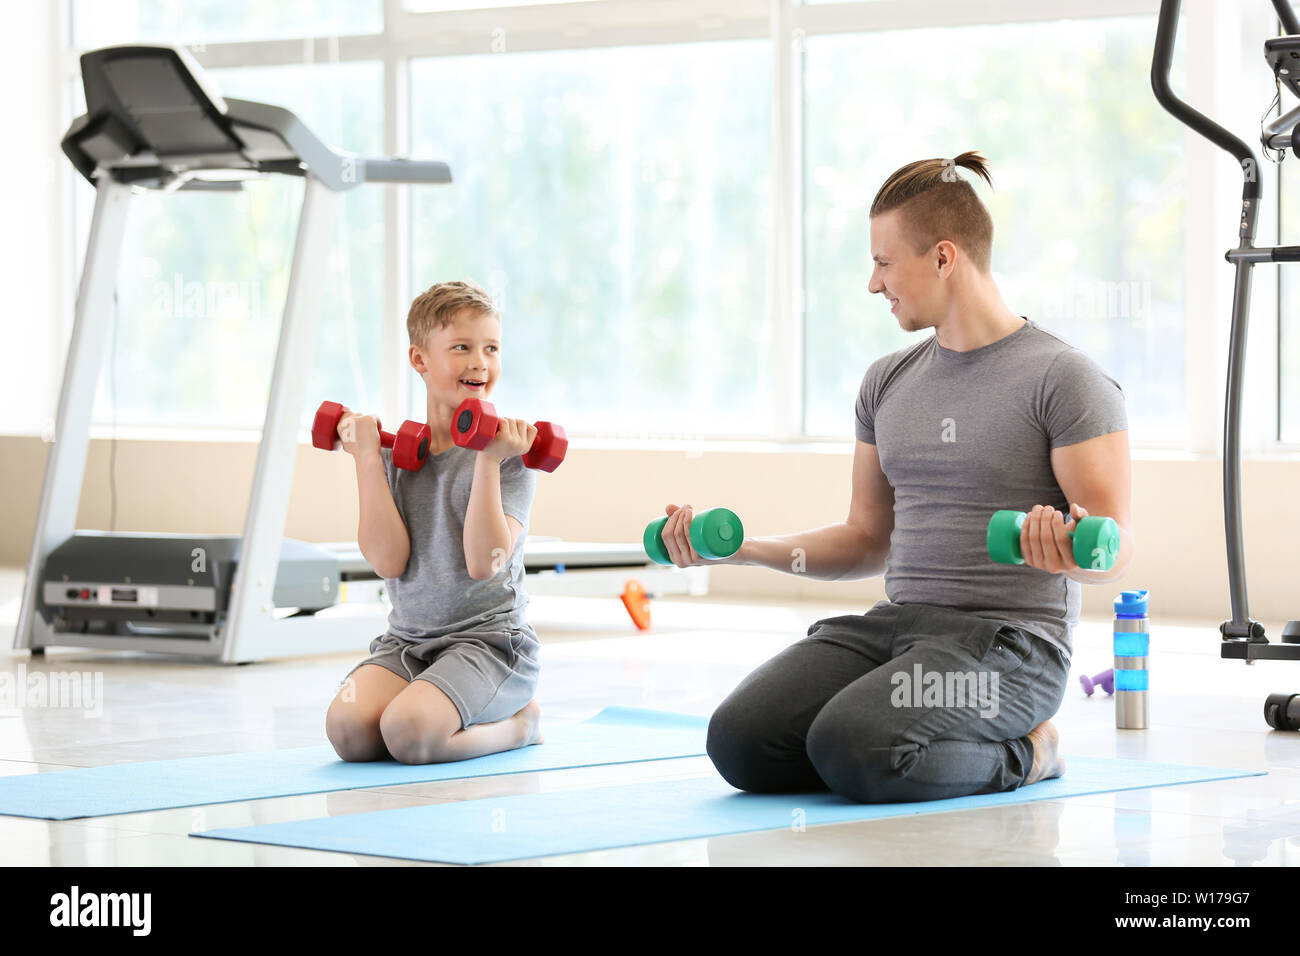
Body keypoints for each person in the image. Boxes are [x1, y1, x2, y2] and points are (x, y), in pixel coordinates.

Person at [661, 151, 1133, 803]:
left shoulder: (1065, 378)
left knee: (857, 746)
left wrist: (1071, 548)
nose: (873, 283)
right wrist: (741, 549)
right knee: (741, 742)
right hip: (896, 628)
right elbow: (866, 539)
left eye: (884, 263)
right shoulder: (887, 381)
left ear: (943, 258)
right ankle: (885, 746)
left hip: (1010, 650)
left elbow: (1113, 545)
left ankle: (1031, 752)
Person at [325, 280, 544, 764]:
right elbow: (388, 560)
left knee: (409, 734)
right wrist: (365, 458)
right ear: (419, 359)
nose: (479, 362)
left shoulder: (512, 456)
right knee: (347, 731)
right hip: (408, 641)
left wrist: (486, 461)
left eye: (490, 348)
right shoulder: (394, 458)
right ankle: (431, 700)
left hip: (489, 645)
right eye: (461, 347)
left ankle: (519, 726)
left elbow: (485, 563)